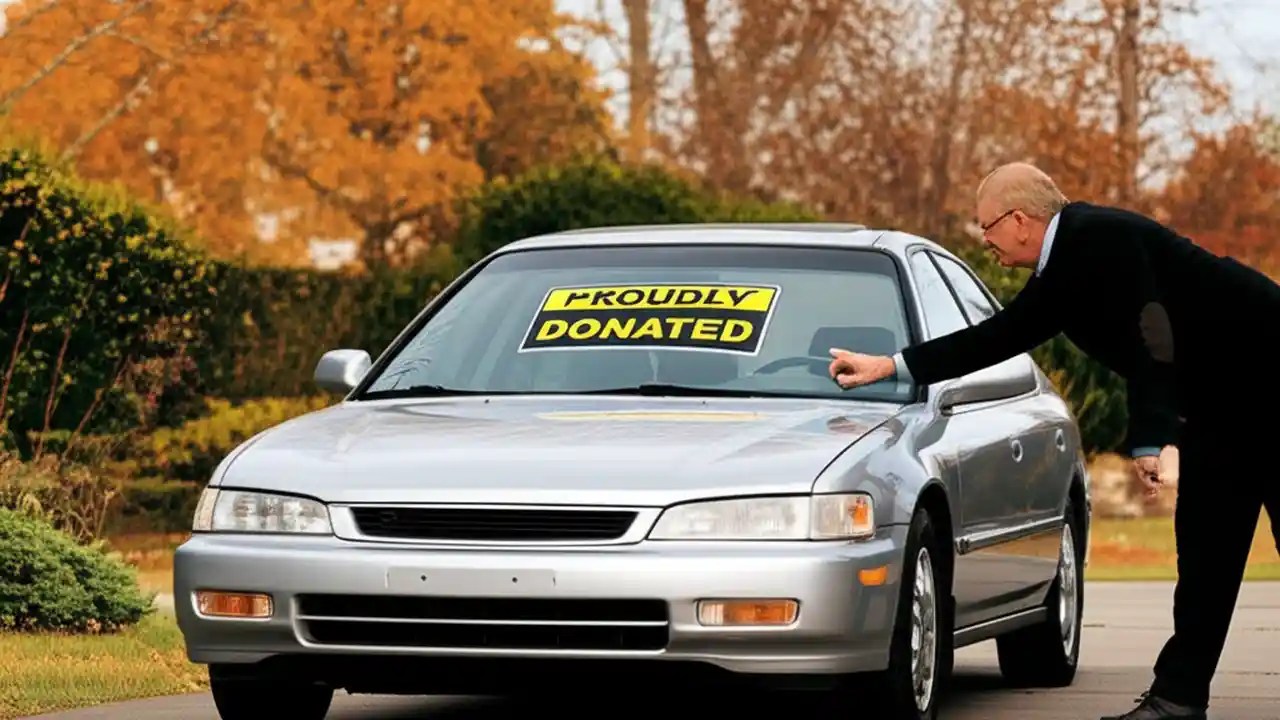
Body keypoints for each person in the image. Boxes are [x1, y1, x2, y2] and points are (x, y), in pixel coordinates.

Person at [828, 162, 1280, 720]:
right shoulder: (1062, 270)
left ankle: (1177, 698)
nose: (985, 240)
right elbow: (995, 338)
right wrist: (889, 365)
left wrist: (1149, 438)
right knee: (1207, 557)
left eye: (986, 226)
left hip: (1271, 385)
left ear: (1020, 220)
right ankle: (1178, 699)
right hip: (1223, 412)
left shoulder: (1099, 238)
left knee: (1214, 553)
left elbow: (1154, 329)